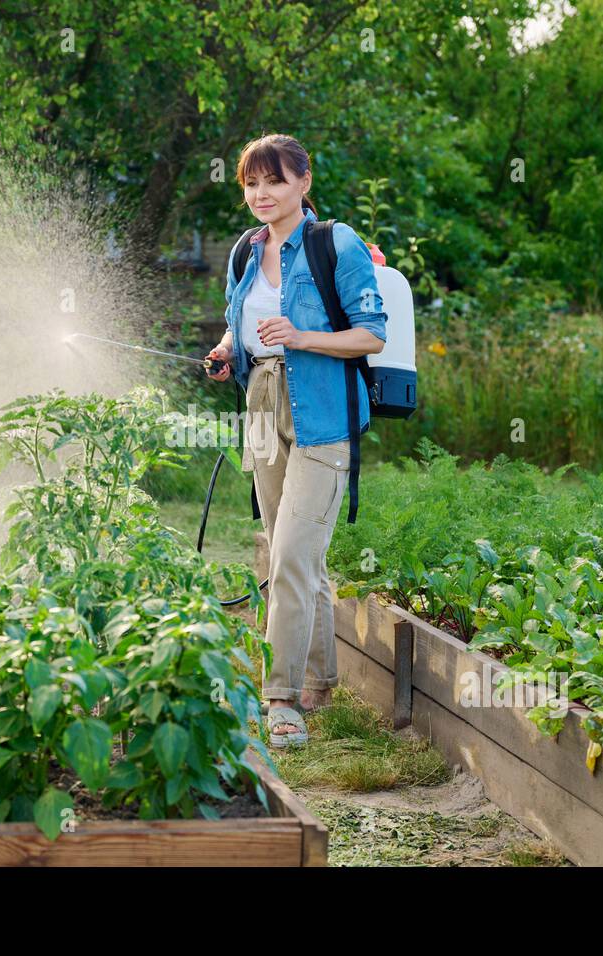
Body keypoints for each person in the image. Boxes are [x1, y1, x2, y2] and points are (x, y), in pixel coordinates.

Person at [206, 133, 387, 747]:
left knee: (288, 556)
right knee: (296, 551)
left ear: (304, 183)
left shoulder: (337, 244)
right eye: (252, 184)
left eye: (274, 181)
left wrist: (300, 336)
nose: (261, 195)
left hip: (324, 412)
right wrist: (228, 350)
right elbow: (241, 323)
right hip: (261, 406)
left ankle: (279, 699)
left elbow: (370, 337)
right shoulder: (245, 252)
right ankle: (321, 680)